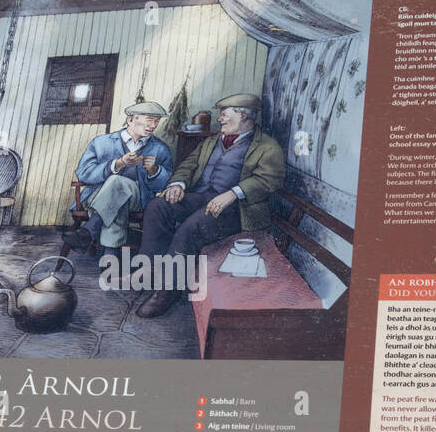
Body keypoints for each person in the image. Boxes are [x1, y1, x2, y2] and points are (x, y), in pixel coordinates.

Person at [134, 94, 285, 318]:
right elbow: (189, 164)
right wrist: (178, 184)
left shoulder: (267, 146)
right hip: (202, 197)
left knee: (190, 228)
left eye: (224, 115)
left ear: (243, 115)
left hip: (236, 210)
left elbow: (269, 179)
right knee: (158, 206)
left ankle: (168, 292)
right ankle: (151, 272)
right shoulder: (212, 141)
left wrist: (233, 194)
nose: (220, 119)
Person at [61, 101, 173, 257]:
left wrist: (155, 170)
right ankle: (109, 261)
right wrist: (118, 164)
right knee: (118, 198)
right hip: (96, 196)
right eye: (149, 120)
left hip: (138, 199)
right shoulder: (102, 142)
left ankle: (88, 231)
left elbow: (165, 184)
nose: (153, 125)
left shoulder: (160, 148)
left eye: (156, 121)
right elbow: (84, 173)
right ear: (130, 120)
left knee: (117, 184)